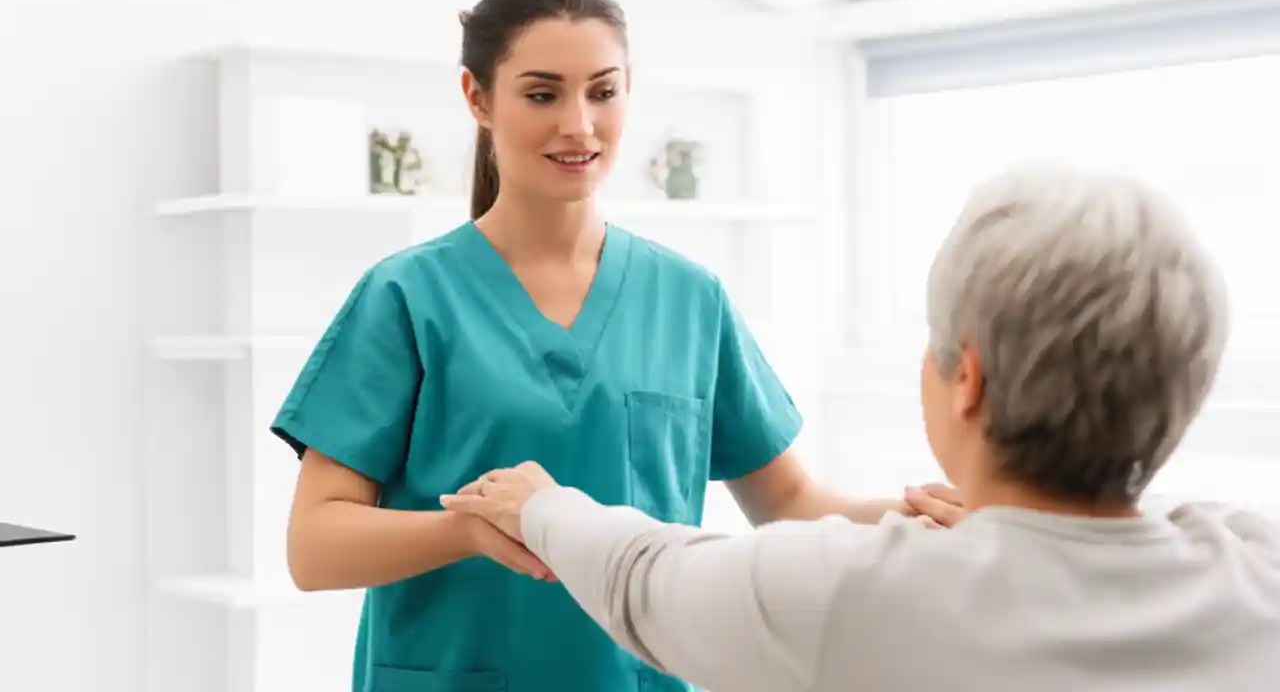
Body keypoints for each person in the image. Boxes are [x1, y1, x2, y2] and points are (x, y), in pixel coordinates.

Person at [270, 0, 958, 691]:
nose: (579, 125)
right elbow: (314, 547)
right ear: (478, 97)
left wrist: (911, 521)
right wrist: (469, 529)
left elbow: (787, 502)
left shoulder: (689, 299)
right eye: (543, 95)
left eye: (603, 91)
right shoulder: (407, 297)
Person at [442, 165, 1280, 692]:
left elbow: (644, 578)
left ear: (968, 381)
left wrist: (541, 506)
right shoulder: (1255, 567)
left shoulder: (852, 595)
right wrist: (1031, 516)